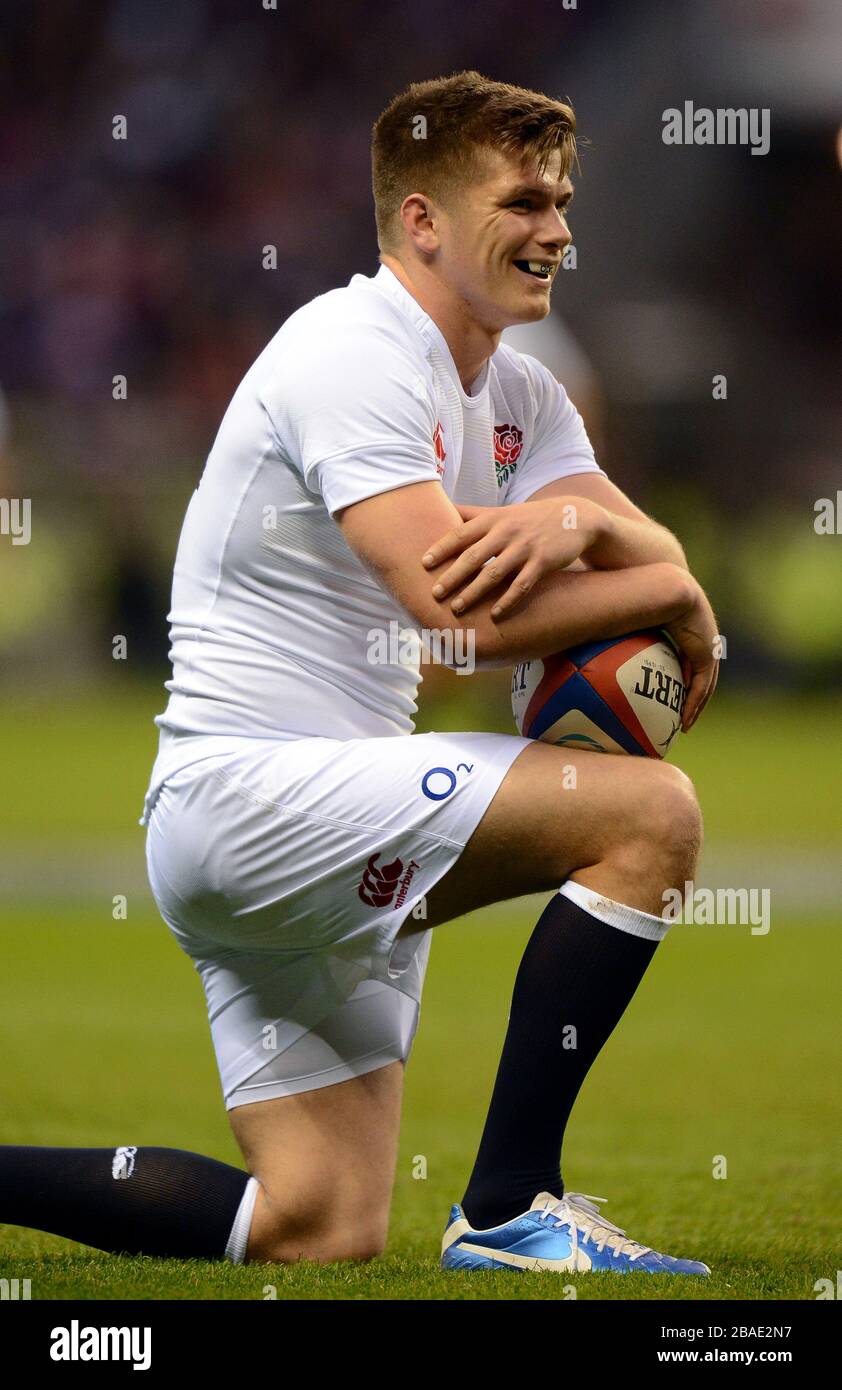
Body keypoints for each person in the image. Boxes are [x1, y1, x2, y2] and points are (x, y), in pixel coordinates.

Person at [0, 71, 718, 1275]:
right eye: (526, 200)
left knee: (318, 1223)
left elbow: (629, 530)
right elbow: (454, 616)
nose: (558, 230)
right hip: (254, 796)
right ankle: (507, 1206)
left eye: (563, 202)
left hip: (319, 809)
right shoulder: (350, 348)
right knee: (650, 819)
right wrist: (669, 591)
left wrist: (585, 535)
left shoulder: (520, 393)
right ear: (423, 219)